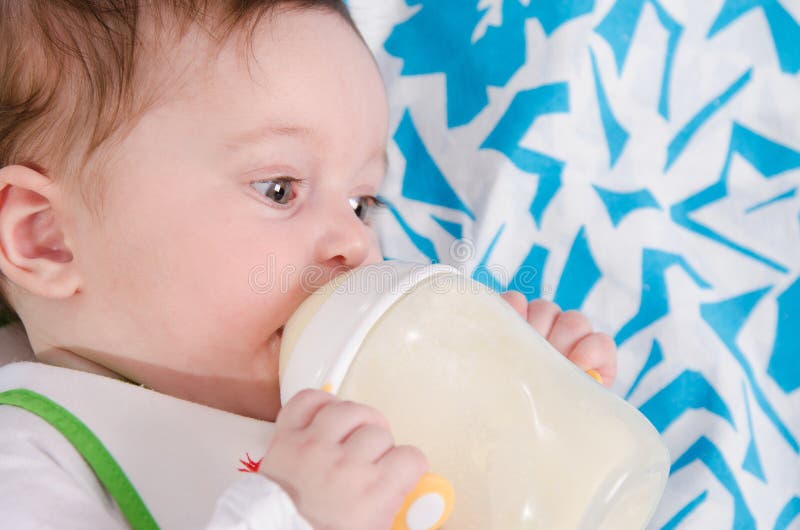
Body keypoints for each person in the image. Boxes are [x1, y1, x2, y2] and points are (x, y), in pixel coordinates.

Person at [0, 1, 618, 528]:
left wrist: (514, 410)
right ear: (47, 238)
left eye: (362, 202)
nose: (355, 243)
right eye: (279, 188)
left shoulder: (363, 401)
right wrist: (291, 512)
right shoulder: (27, 456)